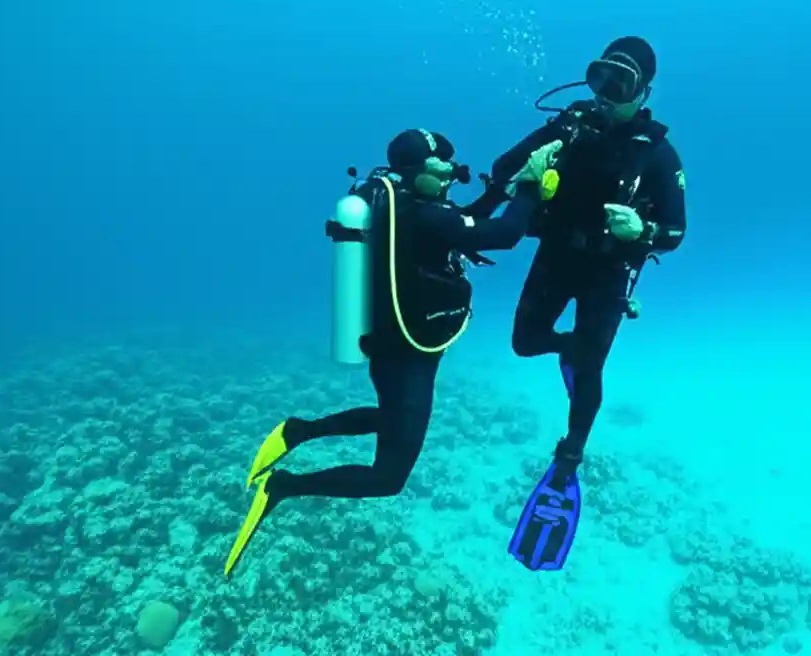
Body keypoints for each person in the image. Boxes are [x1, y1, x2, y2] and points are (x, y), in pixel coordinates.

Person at [223, 129, 563, 578]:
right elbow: (500, 235)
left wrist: (496, 191)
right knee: (388, 478)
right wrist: (527, 187)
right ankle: (282, 487)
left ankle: (300, 431)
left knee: (394, 416)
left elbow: (460, 225)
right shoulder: (422, 214)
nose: (448, 175)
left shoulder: (399, 203)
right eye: (440, 167)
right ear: (415, 171)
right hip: (409, 355)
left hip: (392, 345)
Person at [486, 36, 688, 570]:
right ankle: (573, 349)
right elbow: (503, 165)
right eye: (600, 78)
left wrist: (642, 227)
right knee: (524, 342)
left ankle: (569, 455)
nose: (605, 94)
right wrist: (527, 172)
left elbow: (676, 231)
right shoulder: (570, 124)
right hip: (556, 256)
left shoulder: (657, 152)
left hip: (608, 270)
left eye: (620, 84)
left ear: (643, 91)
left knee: (592, 365)